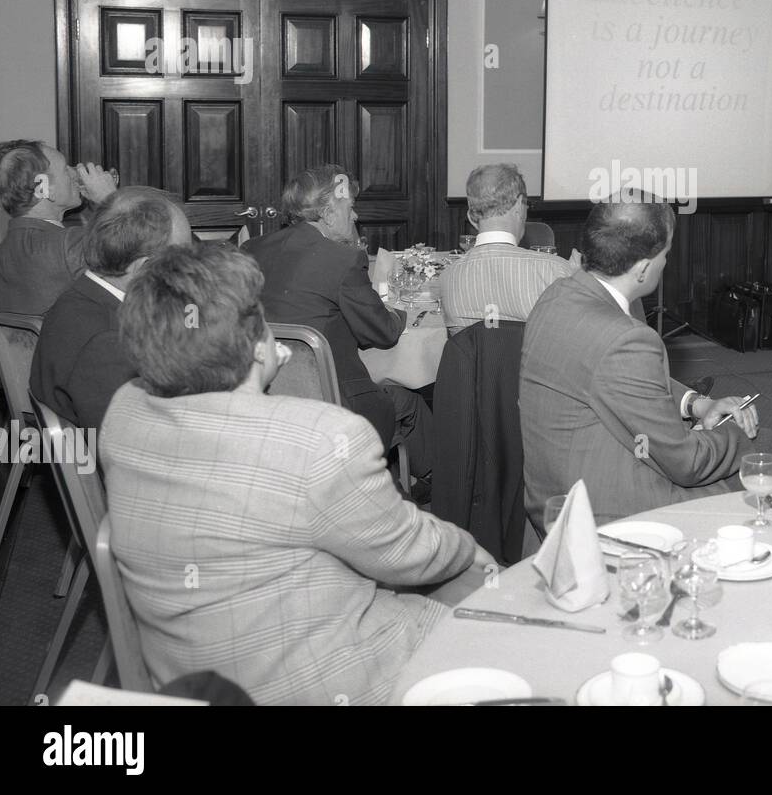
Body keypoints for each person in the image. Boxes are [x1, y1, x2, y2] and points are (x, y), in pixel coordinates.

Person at [102, 241, 493, 706]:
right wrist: (471, 549)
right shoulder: (319, 439)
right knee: (500, 611)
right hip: (321, 683)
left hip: (188, 674)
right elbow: (411, 554)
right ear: (255, 342)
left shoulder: (123, 410)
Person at [520, 195, 772, 528]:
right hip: (609, 512)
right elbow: (688, 464)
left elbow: (617, 379)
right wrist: (735, 432)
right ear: (643, 269)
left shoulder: (556, 296)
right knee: (768, 448)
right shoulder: (625, 339)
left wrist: (697, 405)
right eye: (666, 254)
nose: (666, 263)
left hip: (556, 495)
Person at [243, 165, 430, 486]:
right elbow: (382, 332)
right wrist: (400, 312)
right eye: (350, 207)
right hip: (336, 406)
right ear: (329, 213)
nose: (355, 216)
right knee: (411, 400)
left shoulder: (252, 250)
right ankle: (432, 487)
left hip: (266, 398)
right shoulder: (342, 260)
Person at [30, 187, 192, 432]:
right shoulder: (107, 343)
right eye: (184, 257)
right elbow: (129, 442)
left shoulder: (82, 299)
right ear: (145, 267)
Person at [441, 163, 576, 333]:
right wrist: (583, 282)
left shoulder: (448, 278)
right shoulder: (557, 272)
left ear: (471, 217)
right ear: (519, 206)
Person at [0, 140, 116, 314]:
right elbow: (141, 261)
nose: (75, 173)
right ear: (43, 188)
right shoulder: (71, 244)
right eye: (66, 169)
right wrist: (110, 200)